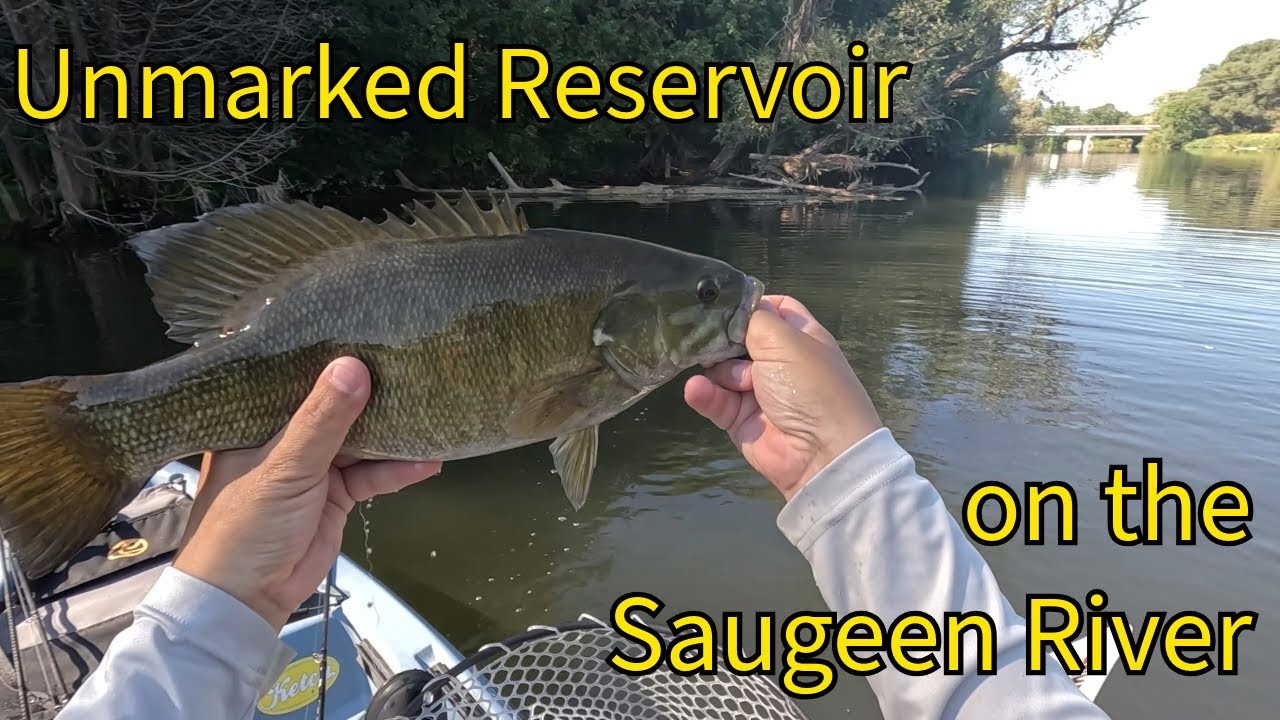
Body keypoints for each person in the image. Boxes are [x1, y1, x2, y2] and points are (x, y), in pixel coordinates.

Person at [56, 295, 1105, 720]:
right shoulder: (593, 376)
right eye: (703, 302)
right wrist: (853, 470)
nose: (728, 307)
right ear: (616, 332)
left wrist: (221, 594)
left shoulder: (601, 377)